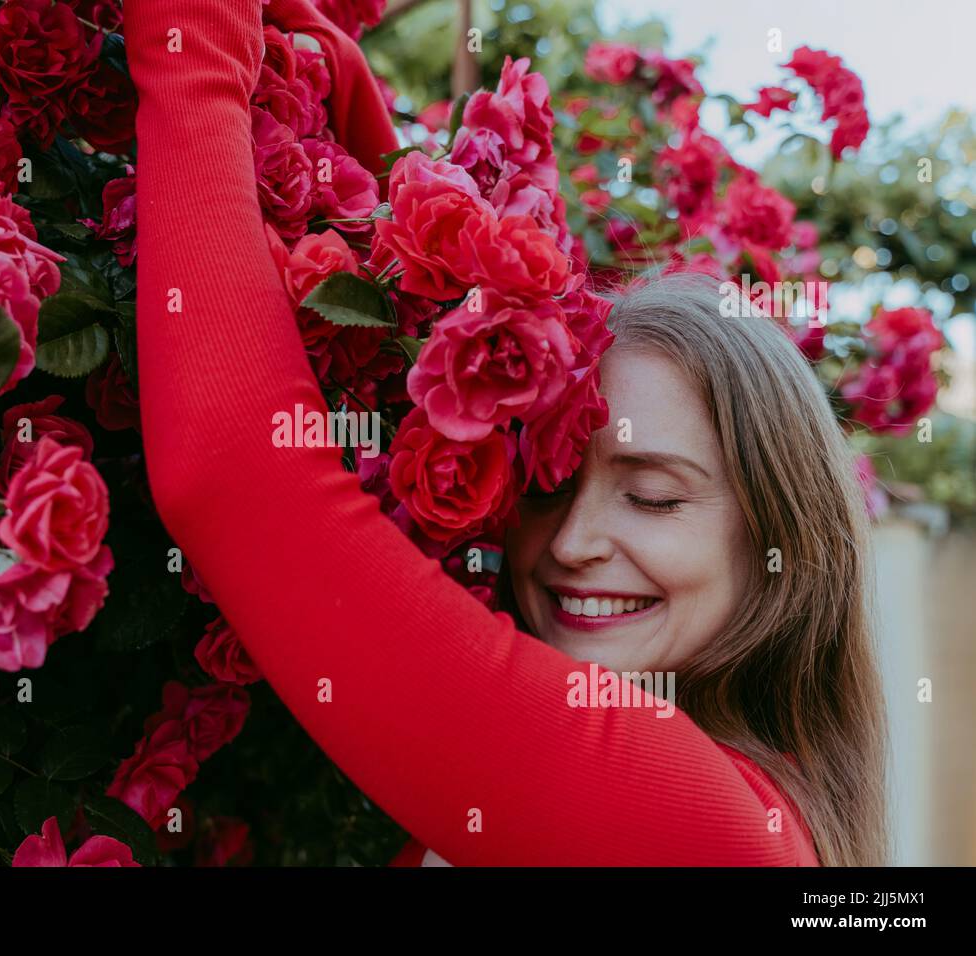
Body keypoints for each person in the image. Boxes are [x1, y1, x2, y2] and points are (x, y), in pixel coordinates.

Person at [122, 0, 887, 866]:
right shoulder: (738, 803)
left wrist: (195, 51)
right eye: (548, 482)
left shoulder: (705, 829)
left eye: (653, 496)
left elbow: (242, 487)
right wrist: (335, 91)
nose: (571, 544)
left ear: (785, 536)